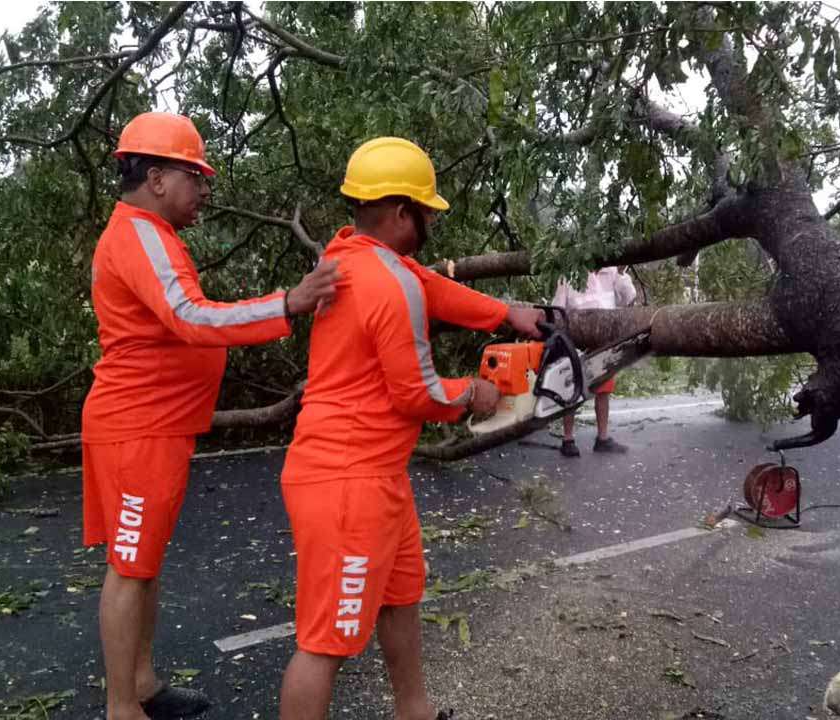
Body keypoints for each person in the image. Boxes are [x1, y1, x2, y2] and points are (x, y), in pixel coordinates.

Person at [81, 111, 340, 720]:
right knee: (130, 566)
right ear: (156, 178)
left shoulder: (151, 233)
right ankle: (122, 708)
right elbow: (191, 317)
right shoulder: (140, 233)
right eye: (194, 176)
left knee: (143, 562)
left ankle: (143, 685)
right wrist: (288, 303)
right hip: (137, 428)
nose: (203, 189)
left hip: (157, 426)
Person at [277, 136, 544, 720]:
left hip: (376, 475)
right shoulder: (387, 282)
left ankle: (414, 712)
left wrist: (506, 313)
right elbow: (417, 393)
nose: (431, 221)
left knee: (400, 598)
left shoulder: (349, 255)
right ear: (402, 212)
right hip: (348, 482)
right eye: (426, 211)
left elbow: (430, 285)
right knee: (326, 642)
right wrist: (472, 394)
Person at [551, 266, 638, 457]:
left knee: (603, 390)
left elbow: (629, 298)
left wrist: (621, 273)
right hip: (576, 342)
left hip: (603, 342)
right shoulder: (569, 274)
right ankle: (568, 439)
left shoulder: (613, 271)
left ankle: (602, 438)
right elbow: (557, 309)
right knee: (572, 390)